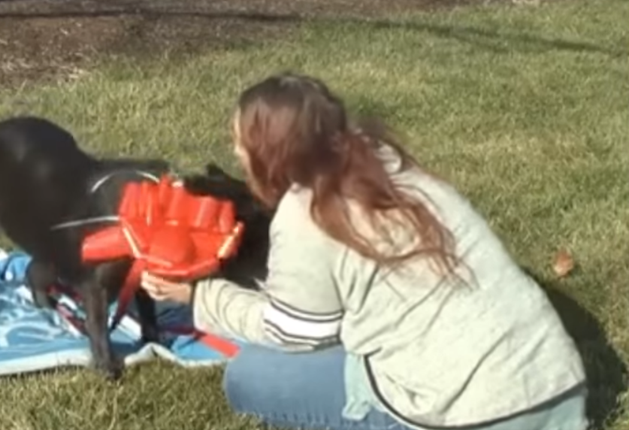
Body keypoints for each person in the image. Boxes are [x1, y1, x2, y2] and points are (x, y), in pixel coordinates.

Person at [141, 73, 587, 430]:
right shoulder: (393, 165)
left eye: (241, 142)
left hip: (469, 414)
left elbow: (296, 332)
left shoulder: (306, 212)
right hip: (559, 388)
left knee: (249, 376)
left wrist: (199, 298)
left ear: (271, 153)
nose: (235, 151)